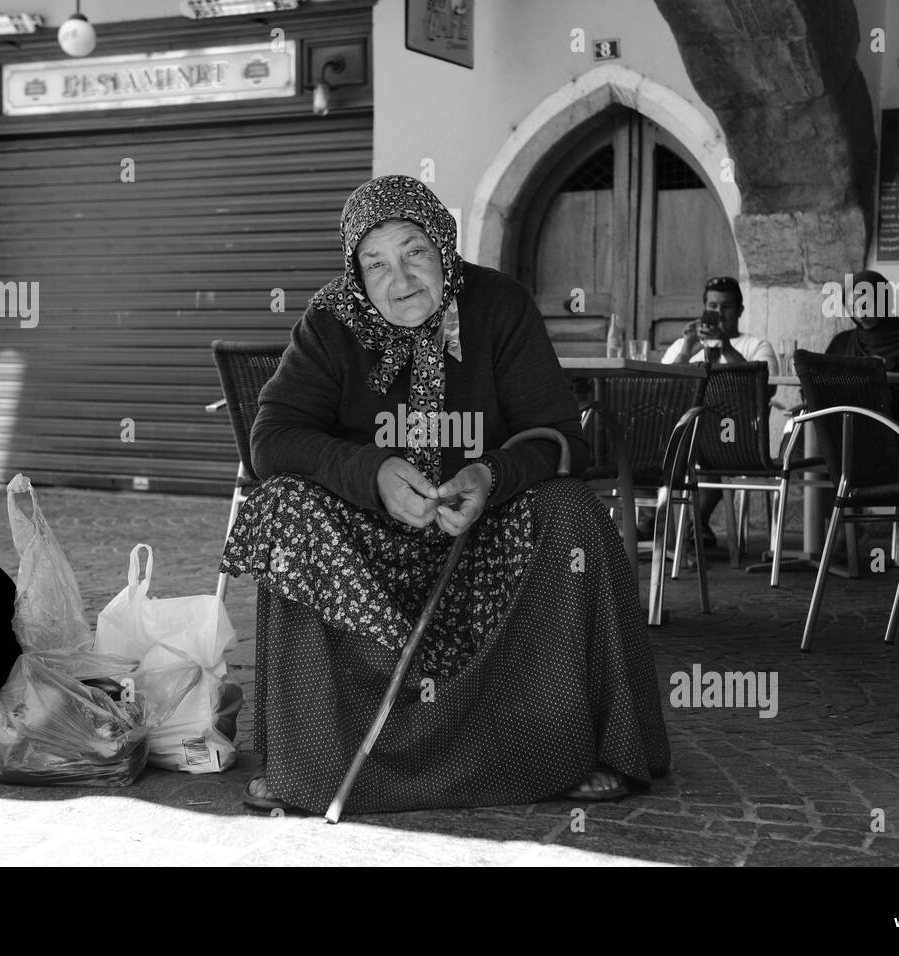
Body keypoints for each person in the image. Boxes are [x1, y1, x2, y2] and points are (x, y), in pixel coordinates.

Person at [219, 174, 671, 815]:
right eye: (374, 263)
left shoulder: (499, 306)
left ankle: (565, 749)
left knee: (571, 511)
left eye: (413, 253)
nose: (398, 279)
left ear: (444, 248)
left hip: (483, 536)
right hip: (367, 541)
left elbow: (562, 440)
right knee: (284, 507)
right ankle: (313, 763)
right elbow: (271, 439)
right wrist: (370, 472)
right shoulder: (330, 319)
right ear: (354, 270)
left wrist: (491, 476)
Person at [658, 276, 778, 549]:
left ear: (739, 311)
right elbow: (662, 391)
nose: (719, 313)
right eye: (712, 306)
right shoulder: (684, 346)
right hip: (687, 436)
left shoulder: (756, 346)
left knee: (710, 437)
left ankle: (672, 523)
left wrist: (726, 348)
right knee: (676, 437)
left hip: (734, 437)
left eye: (726, 307)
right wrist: (688, 350)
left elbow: (764, 392)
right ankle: (689, 525)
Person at [825, 269, 899, 423]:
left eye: (866, 305)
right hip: (839, 425)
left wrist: (894, 368)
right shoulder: (842, 342)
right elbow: (816, 386)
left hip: (890, 428)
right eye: (852, 308)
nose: (860, 315)